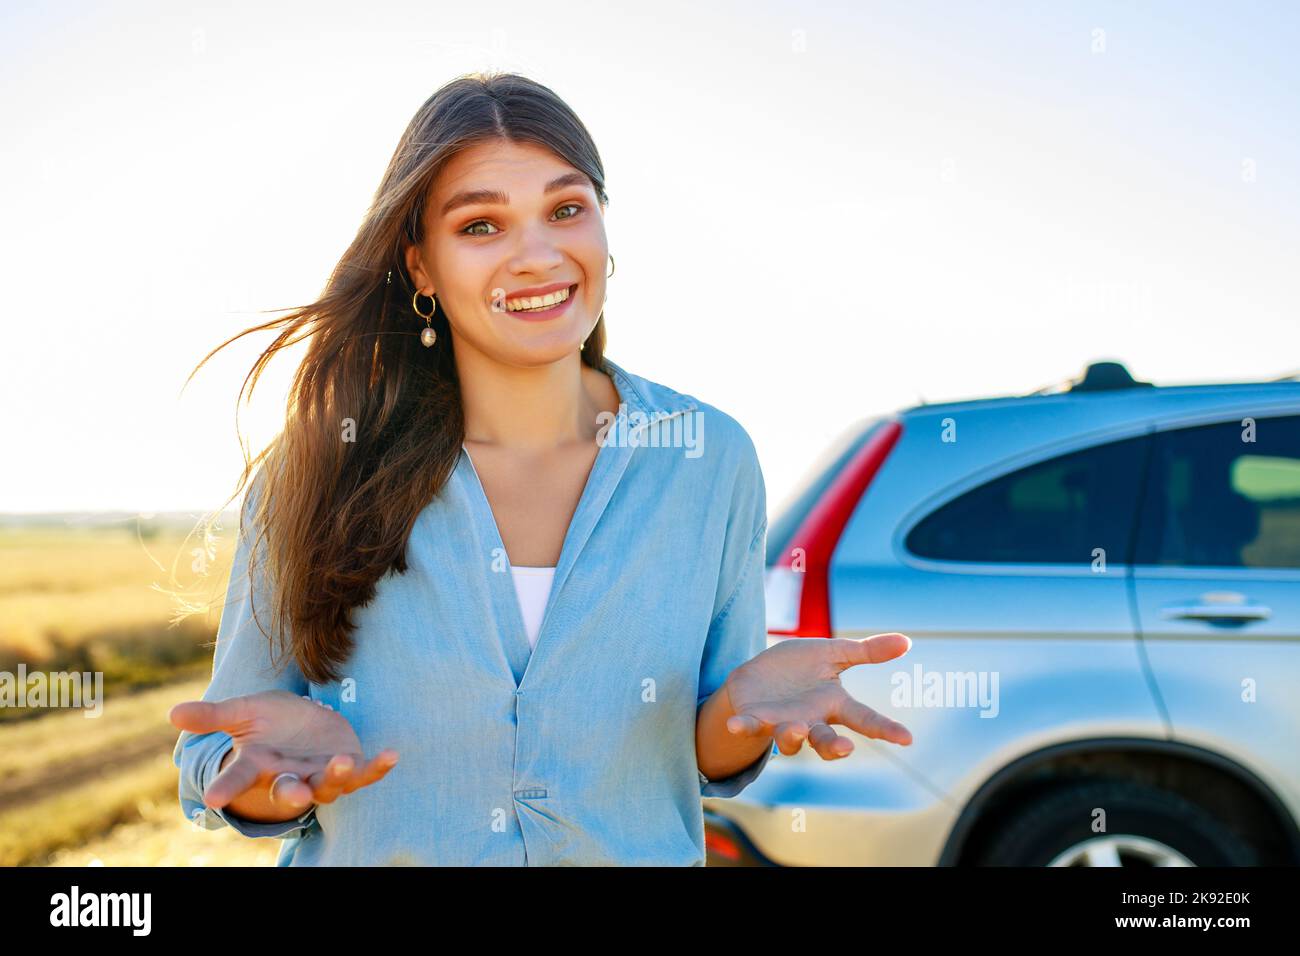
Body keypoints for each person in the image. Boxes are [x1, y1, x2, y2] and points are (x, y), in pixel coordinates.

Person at [170, 71, 914, 866]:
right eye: (482, 225)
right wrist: (262, 777)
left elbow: (700, 751)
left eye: (566, 210)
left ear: (604, 230)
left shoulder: (708, 458)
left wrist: (738, 713)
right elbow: (218, 757)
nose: (537, 255)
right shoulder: (318, 468)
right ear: (420, 266)